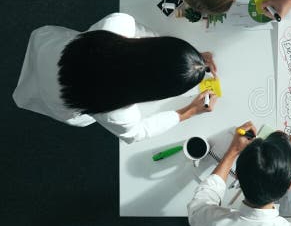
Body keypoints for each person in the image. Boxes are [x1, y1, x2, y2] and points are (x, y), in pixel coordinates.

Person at [12, 13, 218, 143]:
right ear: (157, 91)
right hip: (59, 97)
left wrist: (190, 62)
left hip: (52, 51)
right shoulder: (116, 112)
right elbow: (138, 133)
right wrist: (188, 111)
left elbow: (148, 39)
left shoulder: (119, 23)